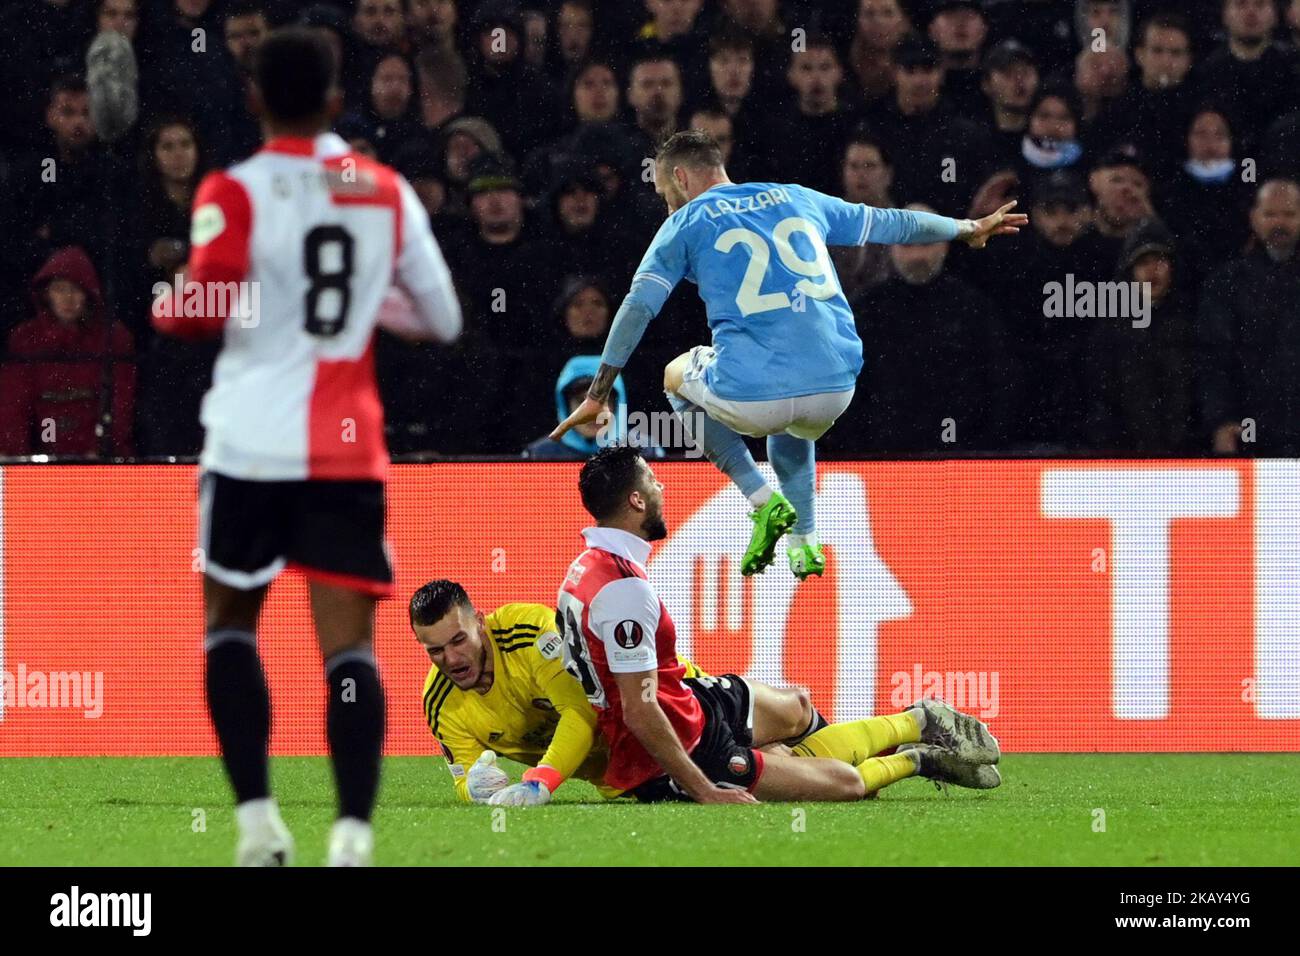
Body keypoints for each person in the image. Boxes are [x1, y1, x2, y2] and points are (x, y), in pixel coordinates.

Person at [150, 27, 462, 867]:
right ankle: (353, 839)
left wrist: (165, 302)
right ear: (335, 102)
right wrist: (363, 310)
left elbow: (199, 306)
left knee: (229, 629)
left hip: (248, 446)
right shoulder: (383, 188)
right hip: (342, 452)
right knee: (349, 651)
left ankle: (258, 827)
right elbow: (442, 320)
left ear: (252, 100)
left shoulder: (233, 187)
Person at [551, 130, 1026, 579]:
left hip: (757, 393)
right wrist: (966, 227)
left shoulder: (685, 222)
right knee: (793, 422)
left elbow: (638, 306)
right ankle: (804, 540)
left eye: (663, 192)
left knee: (675, 375)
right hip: (837, 388)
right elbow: (891, 223)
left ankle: (762, 502)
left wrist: (599, 391)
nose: (666, 204)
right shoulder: (797, 196)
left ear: (680, 177)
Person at [554, 446, 1002, 805]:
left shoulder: (584, 569)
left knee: (798, 708)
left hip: (693, 702)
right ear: (635, 500)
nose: (661, 486)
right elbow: (640, 709)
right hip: (687, 749)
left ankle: (920, 721)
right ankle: (918, 759)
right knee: (846, 784)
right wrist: (703, 788)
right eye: (652, 481)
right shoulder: (622, 590)